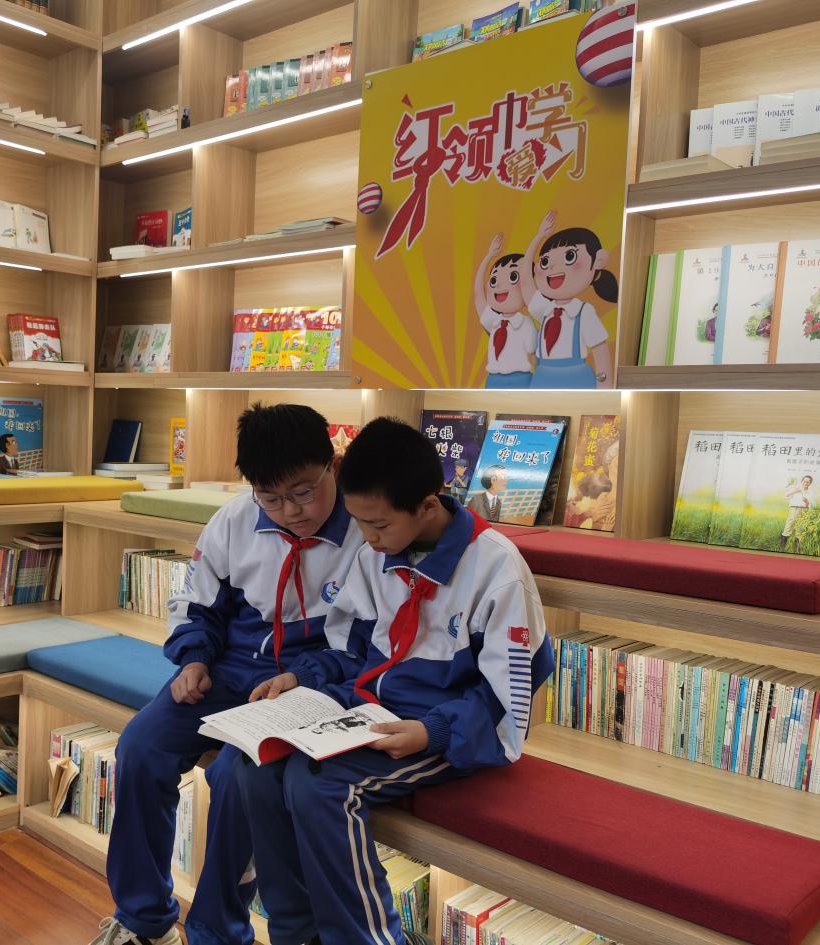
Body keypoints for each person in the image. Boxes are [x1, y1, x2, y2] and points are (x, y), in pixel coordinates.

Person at [237, 418, 554, 945]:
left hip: (446, 728)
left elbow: (508, 700)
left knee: (319, 787)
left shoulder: (496, 567)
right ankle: (295, 932)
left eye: (379, 526)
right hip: (369, 710)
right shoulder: (376, 553)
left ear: (428, 505)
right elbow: (353, 651)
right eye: (359, 523)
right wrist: (303, 677)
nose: (367, 538)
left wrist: (431, 732)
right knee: (257, 766)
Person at [91, 404, 364, 945]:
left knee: (235, 779)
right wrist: (194, 659)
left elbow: (361, 644)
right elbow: (199, 606)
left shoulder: (364, 532)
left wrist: (303, 678)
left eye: (304, 491)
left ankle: (218, 931)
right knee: (141, 748)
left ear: (331, 462)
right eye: (271, 496)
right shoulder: (236, 520)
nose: (290, 510)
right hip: (228, 671)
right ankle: (145, 920)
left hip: (305, 684)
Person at [526, 215, 617, 390]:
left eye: (569, 256)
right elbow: (525, 282)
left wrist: (604, 388)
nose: (552, 268)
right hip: (543, 377)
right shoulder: (545, 309)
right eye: (545, 262)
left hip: (576, 378)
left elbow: (600, 351)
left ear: (598, 261)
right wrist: (538, 237)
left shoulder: (584, 311)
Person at [471, 221, 553, 389]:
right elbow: (478, 294)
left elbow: (534, 350)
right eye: (494, 281)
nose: (500, 286)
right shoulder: (494, 320)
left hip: (521, 379)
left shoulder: (526, 322)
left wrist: (538, 237)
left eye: (513, 278)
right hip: (493, 379)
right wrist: (489, 256)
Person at [780, 475, 813, 552]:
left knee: (800, 528)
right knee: (789, 525)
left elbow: (809, 505)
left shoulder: (810, 492)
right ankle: (782, 548)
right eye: (804, 481)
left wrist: (807, 502)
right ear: (802, 481)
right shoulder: (795, 488)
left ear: (810, 483)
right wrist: (795, 491)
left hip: (804, 510)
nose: (806, 483)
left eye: (808, 482)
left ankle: (796, 549)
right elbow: (786, 495)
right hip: (794, 508)